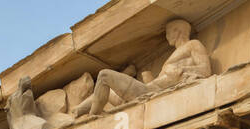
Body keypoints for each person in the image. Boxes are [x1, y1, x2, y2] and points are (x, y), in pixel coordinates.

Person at [72, 19, 211, 117]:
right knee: (109, 92)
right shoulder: (174, 56)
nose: (167, 36)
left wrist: (182, 71)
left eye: (168, 32)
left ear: (178, 31)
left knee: (104, 75)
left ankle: (93, 118)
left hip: (147, 92)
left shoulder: (193, 44)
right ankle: (78, 111)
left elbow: (205, 70)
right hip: (147, 89)